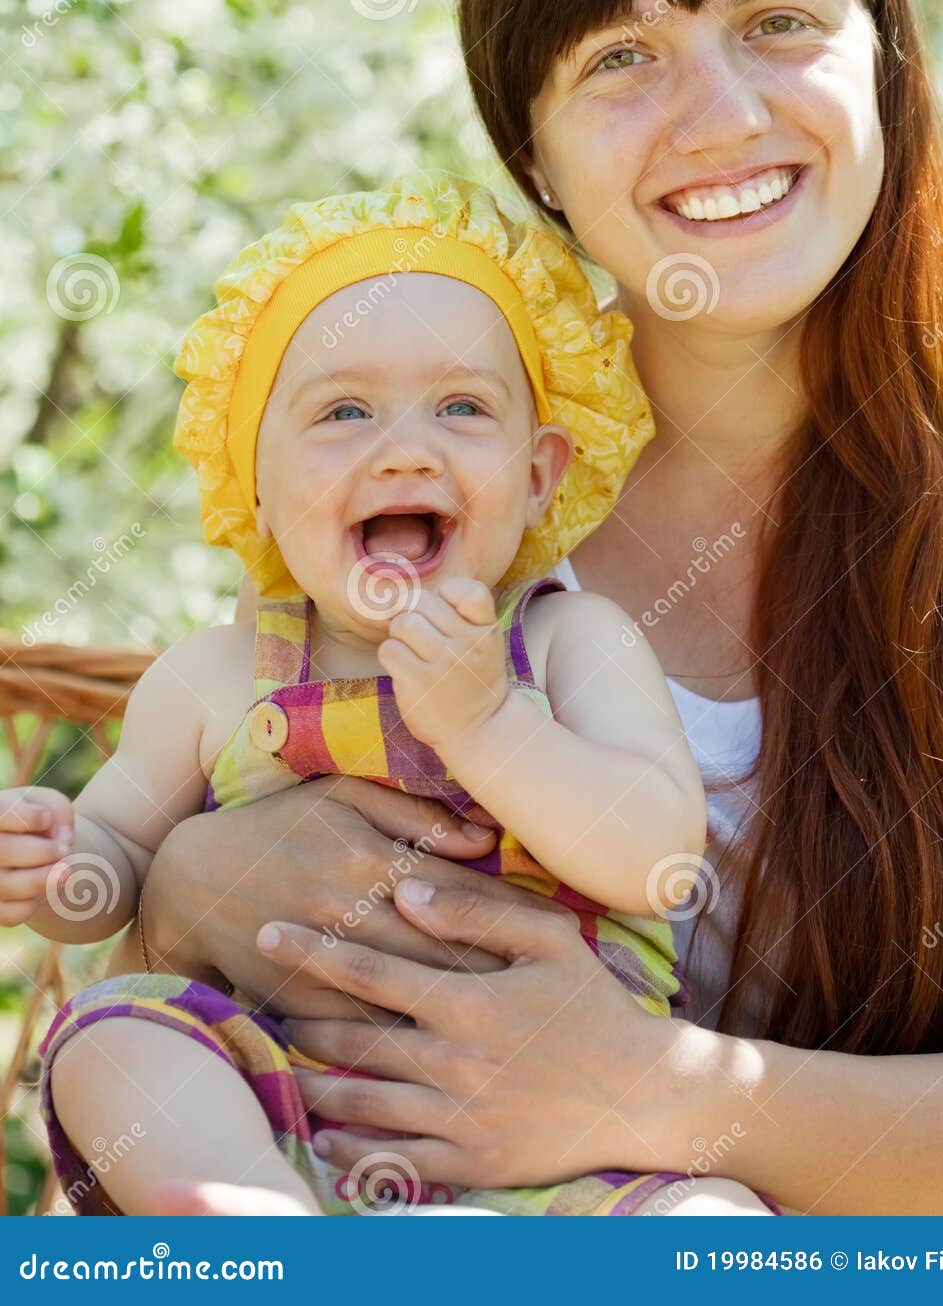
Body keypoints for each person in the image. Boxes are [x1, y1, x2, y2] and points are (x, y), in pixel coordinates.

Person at [109, 0, 943, 1217]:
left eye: (777, 21)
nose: (722, 116)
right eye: (619, 57)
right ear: (531, 149)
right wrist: (182, 889)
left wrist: (651, 1090)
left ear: (879, 56)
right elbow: (190, 945)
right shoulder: (442, 475)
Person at [12, 174, 760, 1215]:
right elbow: (119, 870)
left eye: (461, 406)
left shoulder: (566, 642)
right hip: (278, 1109)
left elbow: (657, 859)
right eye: (344, 410)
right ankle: (253, 1225)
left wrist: (489, 722)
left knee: (717, 1224)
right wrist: (53, 859)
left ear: (540, 473)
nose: (406, 446)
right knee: (109, 1046)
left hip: (551, 1149)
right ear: (258, 489)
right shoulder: (218, 677)